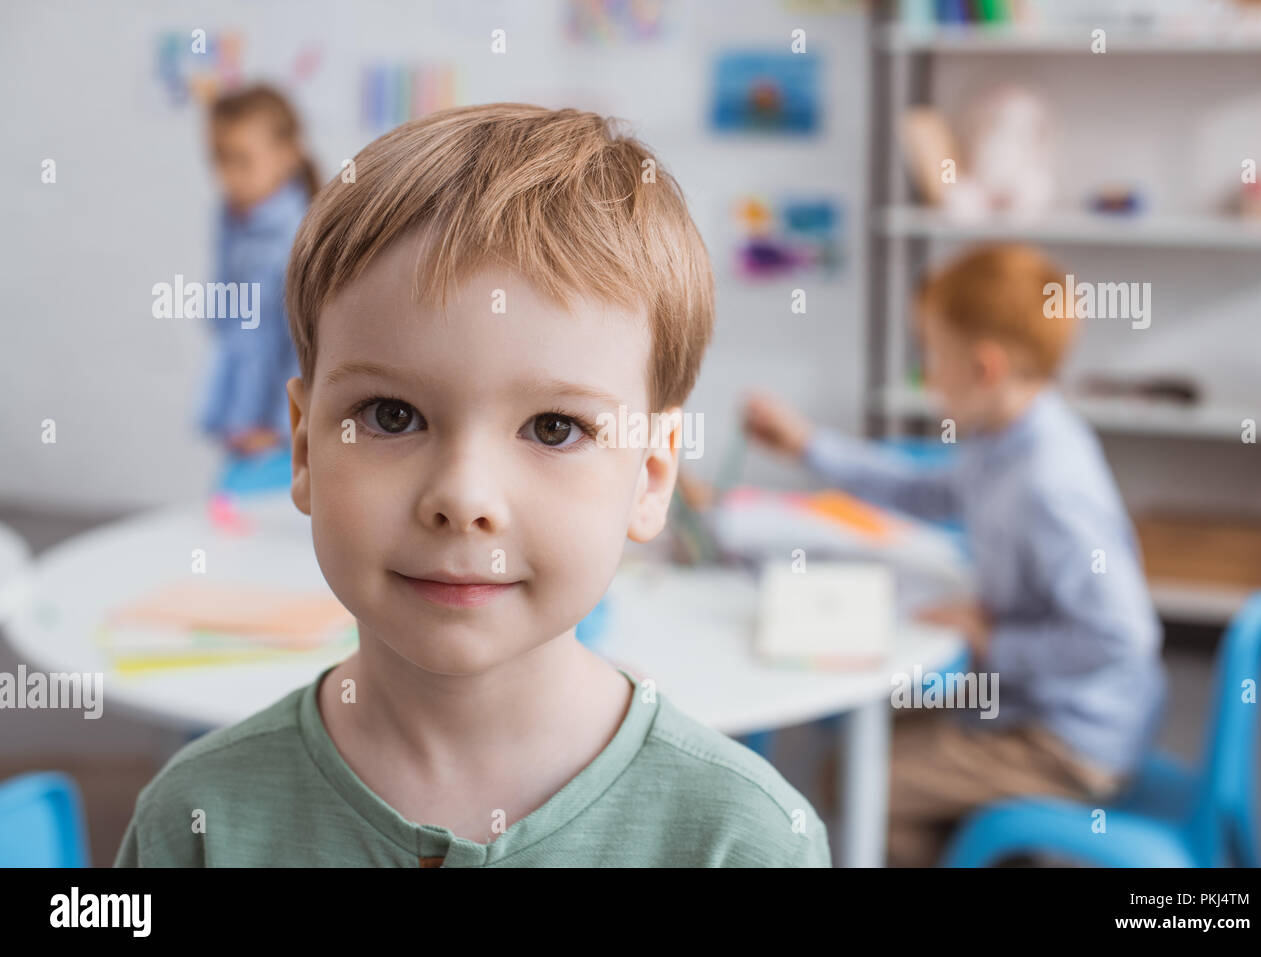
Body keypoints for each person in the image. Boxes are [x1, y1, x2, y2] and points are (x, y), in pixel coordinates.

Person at [116, 104, 831, 868]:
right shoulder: (195, 823)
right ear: (304, 448)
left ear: (652, 475)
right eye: (392, 415)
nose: (463, 498)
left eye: (553, 427)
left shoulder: (744, 841)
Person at [744, 244, 1167, 867]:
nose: (927, 375)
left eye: (933, 355)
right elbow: (926, 490)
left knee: (863, 783)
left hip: (1067, 740)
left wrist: (995, 641)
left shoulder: (1047, 484)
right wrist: (809, 446)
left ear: (984, 368)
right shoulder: (1006, 437)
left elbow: (1125, 636)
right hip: (1024, 701)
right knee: (862, 749)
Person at [198, 84, 317, 460]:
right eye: (218, 158)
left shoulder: (299, 234)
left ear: (288, 155)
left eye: (242, 160)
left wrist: (282, 426)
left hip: (281, 421)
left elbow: (306, 345)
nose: (228, 175)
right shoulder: (232, 219)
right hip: (242, 406)